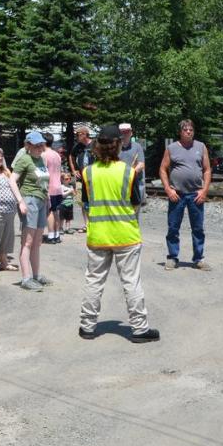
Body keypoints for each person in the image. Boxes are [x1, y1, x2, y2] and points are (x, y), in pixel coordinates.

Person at [78, 124, 160, 343]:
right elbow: (136, 203)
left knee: (94, 281)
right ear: (118, 146)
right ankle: (139, 329)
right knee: (131, 282)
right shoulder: (128, 172)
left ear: (97, 146)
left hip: (98, 235)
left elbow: (86, 202)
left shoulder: (87, 173)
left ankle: (87, 326)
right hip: (125, 235)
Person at [159, 119, 213, 270]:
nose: (188, 132)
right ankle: (172, 257)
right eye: (185, 130)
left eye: (191, 130)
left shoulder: (201, 147)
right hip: (177, 194)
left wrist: (204, 190)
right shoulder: (172, 148)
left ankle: (198, 259)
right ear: (180, 132)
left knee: (198, 228)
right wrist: (168, 189)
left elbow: (207, 170)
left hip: (196, 194)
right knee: (173, 227)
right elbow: (163, 169)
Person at [12, 131, 53, 290]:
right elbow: (12, 180)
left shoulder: (41, 159)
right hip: (29, 200)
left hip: (41, 201)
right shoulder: (24, 159)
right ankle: (26, 278)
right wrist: (20, 201)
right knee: (27, 242)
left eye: (42, 145)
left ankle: (36, 275)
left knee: (37, 241)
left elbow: (44, 182)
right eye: (36, 145)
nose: (40, 148)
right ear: (28, 145)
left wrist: (47, 198)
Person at [117, 123, 146, 215]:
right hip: (119, 183)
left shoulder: (137, 146)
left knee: (134, 213)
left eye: (127, 131)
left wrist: (130, 173)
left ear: (131, 133)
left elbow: (141, 164)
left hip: (135, 183)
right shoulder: (115, 147)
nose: (125, 134)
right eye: (122, 132)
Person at [69, 127, 94, 228]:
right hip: (81, 178)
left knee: (93, 200)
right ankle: (86, 224)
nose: (76, 136)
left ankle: (93, 222)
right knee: (82, 200)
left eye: (78, 134)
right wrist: (74, 170)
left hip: (93, 177)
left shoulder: (95, 144)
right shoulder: (77, 146)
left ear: (85, 134)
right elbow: (71, 156)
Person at [44, 132, 64, 243]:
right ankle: (57, 235)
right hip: (58, 186)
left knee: (50, 211)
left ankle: (51, 235)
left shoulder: (44, 155)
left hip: (50, 187)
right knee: (55, 211)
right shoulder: (56, 154)